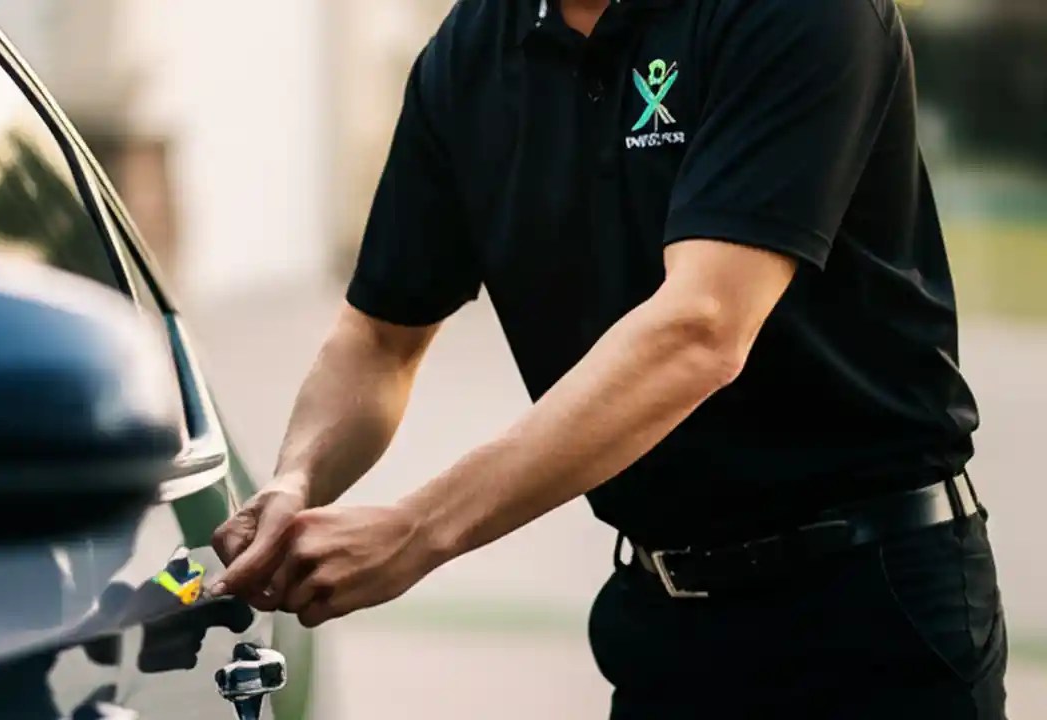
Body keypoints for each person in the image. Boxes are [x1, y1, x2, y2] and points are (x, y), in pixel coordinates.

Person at [209, 0, 1008, 716]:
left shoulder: (798, 13)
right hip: (663, 622)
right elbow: (379, 338)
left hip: (871, 611)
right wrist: (294, 480)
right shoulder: (472, 53)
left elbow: (702, 329)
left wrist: (417, 531)